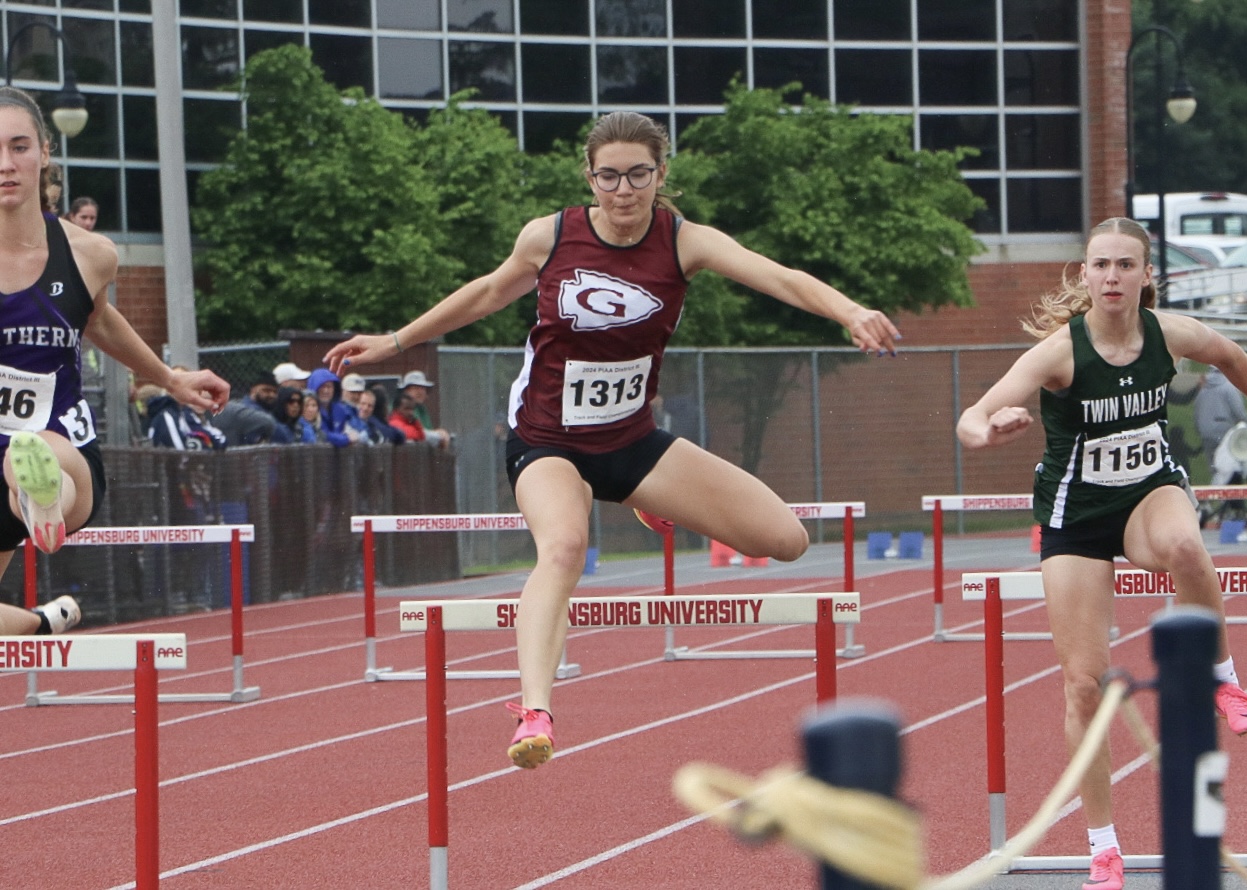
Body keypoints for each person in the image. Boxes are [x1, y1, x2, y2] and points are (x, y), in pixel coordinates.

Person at [324, 110, 899, 770]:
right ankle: (534, 710)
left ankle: (647, 497)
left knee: (785, 540)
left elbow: (780, 277)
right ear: (588, 177)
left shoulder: (686, 241)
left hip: (630, 440)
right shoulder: (549, 236)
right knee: (564, 545)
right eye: (608, 176)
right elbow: (485, 291)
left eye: (637, 175)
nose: (622, 191)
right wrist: (394, 341)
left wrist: (850, 311)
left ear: (660, 174)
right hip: (546, 442)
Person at [955, 216, 1247, 890]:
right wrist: (989, 430)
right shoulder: (1058, 353)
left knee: (1184, 545)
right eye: (1099, 265)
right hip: (1075, 520)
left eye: (1124, 265)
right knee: (1084, 686)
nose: (1111, 276)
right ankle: (1103, 846)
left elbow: (1231, 359)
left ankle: (1221, 675)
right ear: (1084, 276)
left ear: (1146, 277)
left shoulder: (1170, 335)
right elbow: (972, 417)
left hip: (1148, 493)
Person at [0, 86, 228, 636]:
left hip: (62, 451)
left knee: (36, 452)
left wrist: (169, 378)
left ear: (45, 152)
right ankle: (41, 622)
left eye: (19, 146)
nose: (5, 164)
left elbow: (98, 321)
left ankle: (40, 495)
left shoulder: (89, 254)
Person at [1194, 365, 1247, 474]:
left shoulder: (1203, 388)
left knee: (1214, 467)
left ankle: (1215, 489)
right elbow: (1239, 411)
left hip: (1206, 432)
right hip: (1225, 432)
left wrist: (1200, 429)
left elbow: (1196, 412)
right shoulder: (1229, 386)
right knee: (1229, 468)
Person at [211, 371, 285, 445]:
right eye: (266, 390)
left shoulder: (271, 409)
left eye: (275, 392)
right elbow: (283, 437)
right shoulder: (245, 410)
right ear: (253, 390)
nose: (272, 395)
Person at [399, 370, 452, 448]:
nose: (420, 392)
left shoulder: (422, 409)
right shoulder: (400, 408)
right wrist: (438, 434)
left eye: (422, 388)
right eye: (415, 388)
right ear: (406, 391)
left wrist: (438, 434)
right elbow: (412, 433)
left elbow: (427, 431)